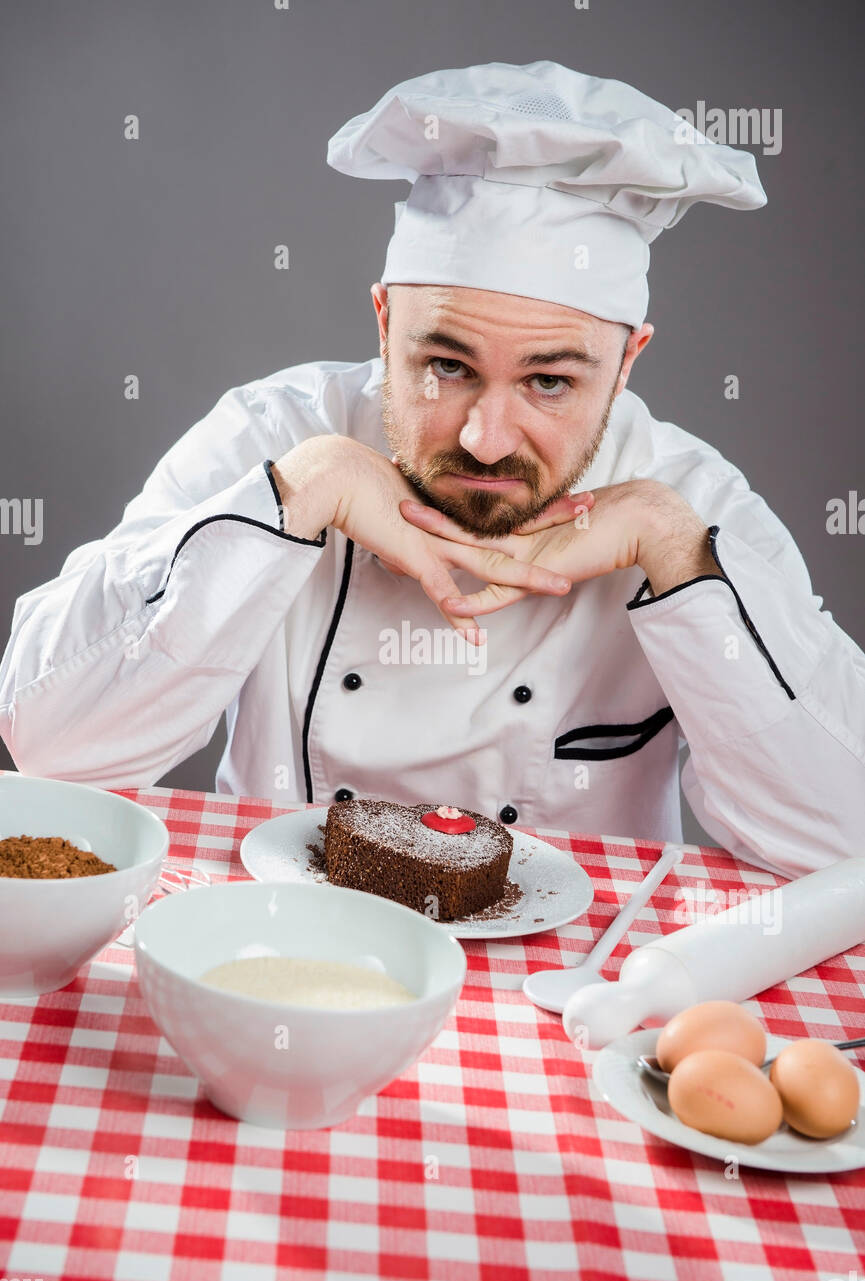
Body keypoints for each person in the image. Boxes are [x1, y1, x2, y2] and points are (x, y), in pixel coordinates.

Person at [1, 61, 863, 880]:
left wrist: (678, 560)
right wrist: (298, 496)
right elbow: (52, 744)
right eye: (445, 367)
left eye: (550, 381)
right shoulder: (276, 432)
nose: (487, 440)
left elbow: (841, 839)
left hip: (575, 983)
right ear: (384, 325)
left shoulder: (689, 500)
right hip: (279, 936)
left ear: (627, 361)